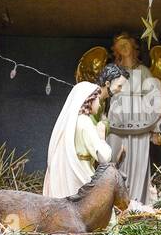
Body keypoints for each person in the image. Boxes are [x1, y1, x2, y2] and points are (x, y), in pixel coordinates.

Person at [42, 64, 127, 199]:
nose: (99, 103)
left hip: (82, 164)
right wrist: (100, 135)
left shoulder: (76, 120)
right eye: (119, 86)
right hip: (82, 168)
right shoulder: (85, 122)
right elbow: (104, 155)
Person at [104, 33, 161, 206]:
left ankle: (136, 200)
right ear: (115, 50)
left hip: (139, 122)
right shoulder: (113, 71)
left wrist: (155, 128)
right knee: (116, 158)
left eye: (126, 44)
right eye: (119, 45)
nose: (123, 48)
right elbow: (102, 95)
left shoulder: (144, 72)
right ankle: (115, 201)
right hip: (117, 121)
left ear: (134, 47)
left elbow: (155, 99)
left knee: (138, 161)